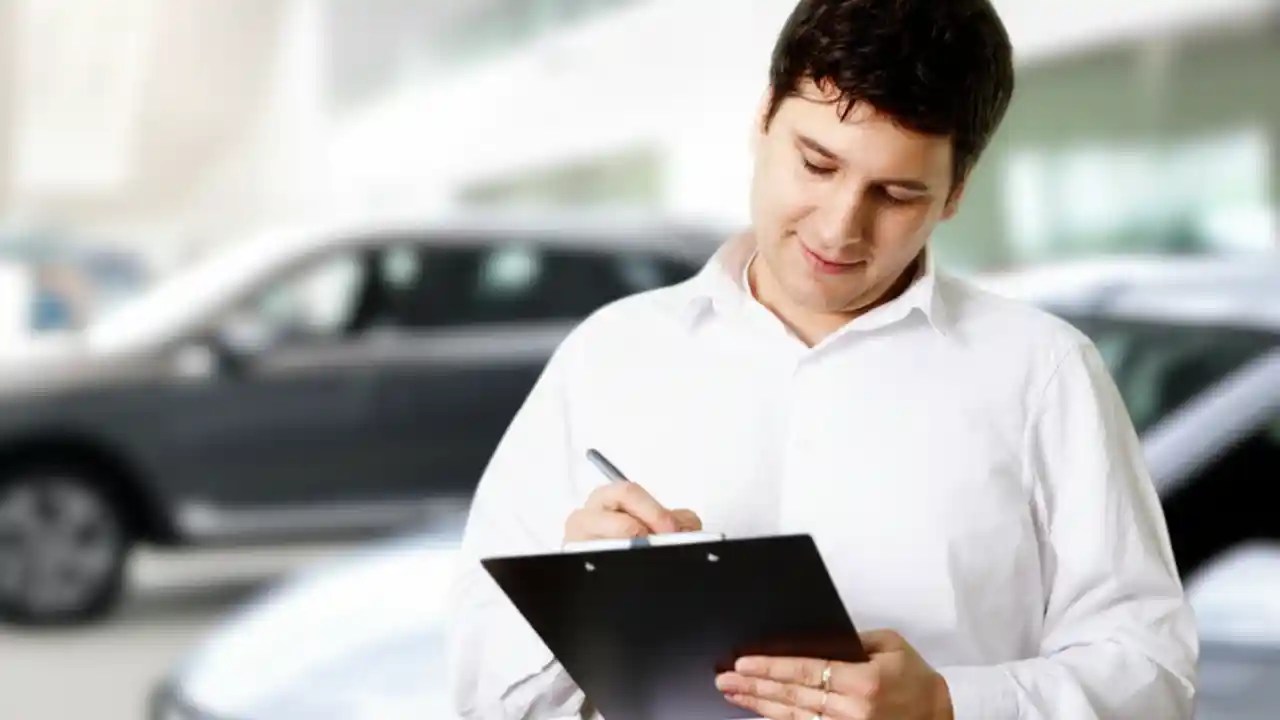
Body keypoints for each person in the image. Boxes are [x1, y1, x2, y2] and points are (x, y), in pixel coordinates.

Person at [446, 0, 1198, 718]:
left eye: (897, 194)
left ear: (956, 194)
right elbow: (485, 697)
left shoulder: (1045, 376)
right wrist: (578, 596)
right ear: (764, 117)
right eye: (816, 163)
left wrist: (948, 705)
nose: (841, 229)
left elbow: (1154, 677)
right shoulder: (609, 357)